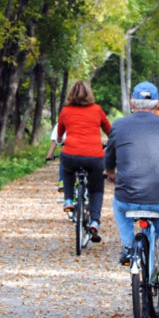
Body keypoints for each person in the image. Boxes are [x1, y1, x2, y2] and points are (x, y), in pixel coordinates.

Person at [105, 81, 159, 306]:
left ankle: (127, 247)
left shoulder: (119, 124)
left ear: (131, 103)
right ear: (157, 104)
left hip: (127, 198)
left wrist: (110, 173)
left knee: (117, 203)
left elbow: (109, 159)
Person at [54, 81, 111, 242]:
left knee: (67, 169)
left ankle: (68, 199)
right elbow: (110, 131)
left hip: (71, 154)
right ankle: (94, 221)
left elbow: (60, 134)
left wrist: (60, 140)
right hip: (95, 156)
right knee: (96, 190)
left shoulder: (65, 111)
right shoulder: (97, 110)